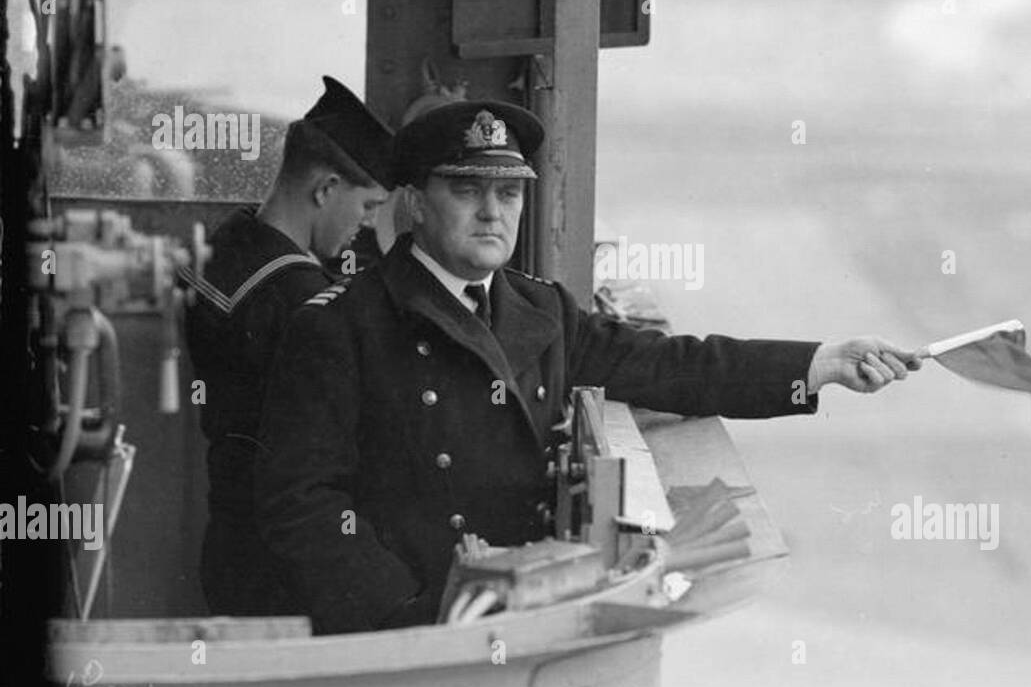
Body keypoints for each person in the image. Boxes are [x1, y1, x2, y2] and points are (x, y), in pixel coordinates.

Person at [254, 100, 921, 634]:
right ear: (417, 204)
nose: (492, 212)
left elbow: (673, 367)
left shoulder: (538, 310)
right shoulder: (342, 325)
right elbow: (303, 504)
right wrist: (413, 615)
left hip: (539, 611)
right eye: (466, 189)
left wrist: (821, 361)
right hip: (421, 634)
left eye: (509, 193)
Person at [182, 76, 394, 616]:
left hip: (230, 543)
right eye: (368, 207)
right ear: (324, 190)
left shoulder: (227, 241)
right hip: (280, 568)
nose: (368, 225)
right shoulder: (301, 300)